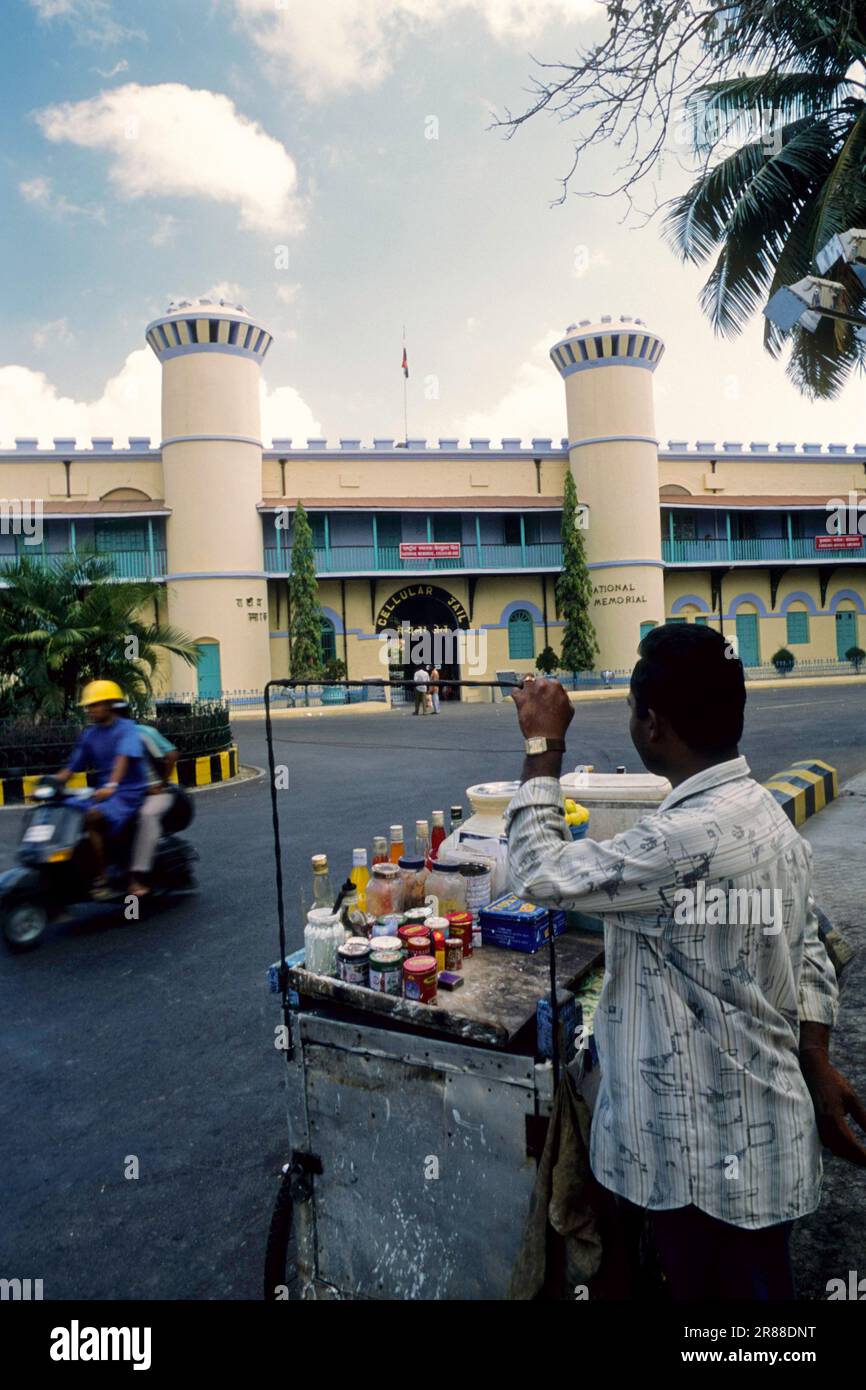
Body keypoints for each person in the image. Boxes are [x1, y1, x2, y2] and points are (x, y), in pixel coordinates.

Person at [506, 624, 866, 1301]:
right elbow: (811, 940)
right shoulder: (761, 813)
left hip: (705, 1173)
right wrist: (814, 1053)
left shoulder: (679, 842)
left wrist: (542, 745)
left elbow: (537, 872)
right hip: (759, 1158)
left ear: (653, 725)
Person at [56, 680, 149, 900]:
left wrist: (111, 785)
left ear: (108, 705)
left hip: (127, 792)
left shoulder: (127, 728)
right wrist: (52, 783)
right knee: (65, 812)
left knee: (93, 817)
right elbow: (73, 766)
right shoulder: (90, 734)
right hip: (104, 793)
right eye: (88, 706)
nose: (90, 710)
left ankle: (103, 878)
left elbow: (123, 758)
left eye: (94, 705)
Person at [115, 703, 179, 898]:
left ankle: (138, 873)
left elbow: (171, 754)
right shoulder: (107, 737)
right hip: (127, 794)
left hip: (155, 793)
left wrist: (162, 783)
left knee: (147, 815)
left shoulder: (142, 732)